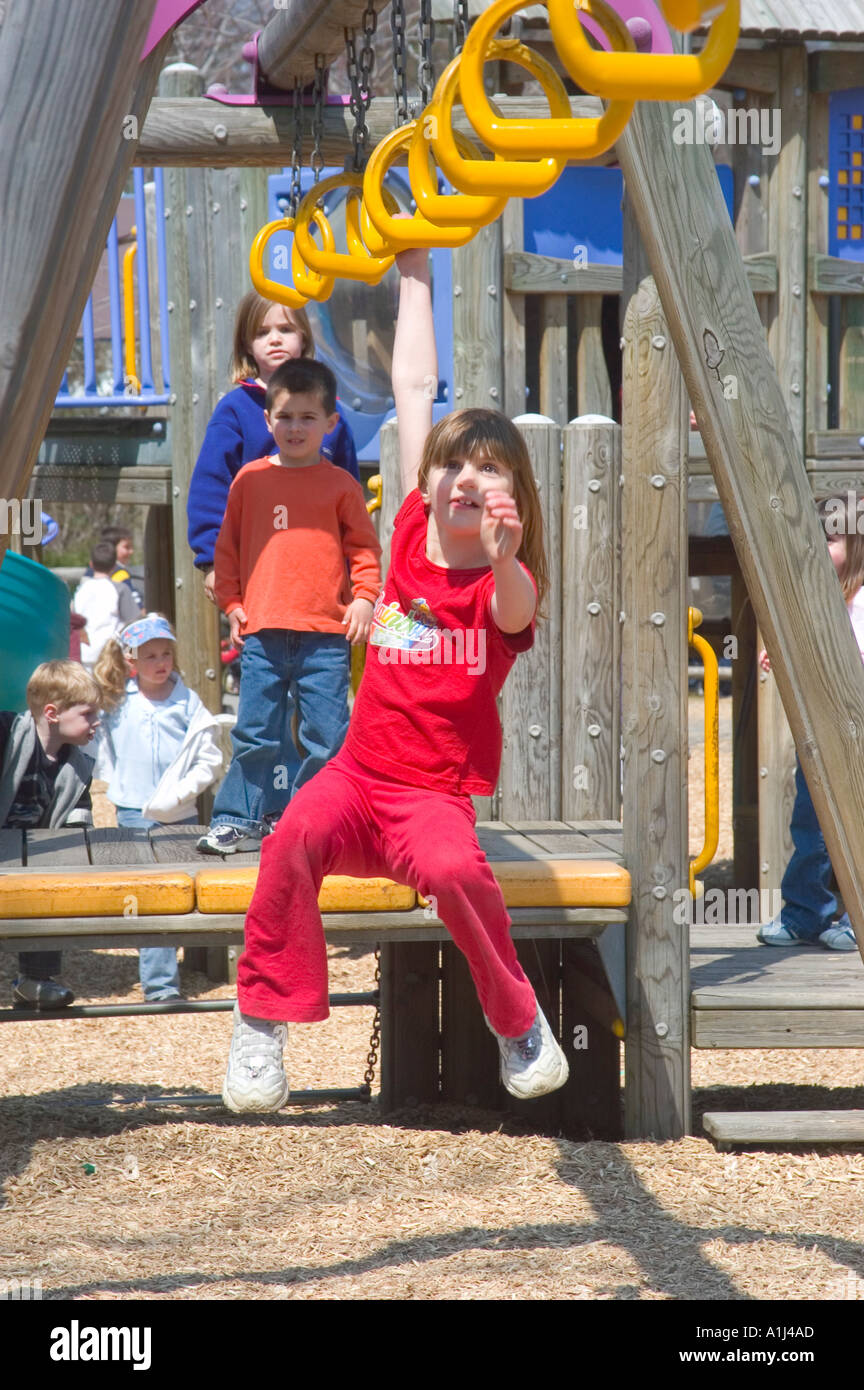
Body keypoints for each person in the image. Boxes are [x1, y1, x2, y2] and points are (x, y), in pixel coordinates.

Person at [221, 248, 569, 1114]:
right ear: (431, 481)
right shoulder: (409, 528)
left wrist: (508, 557)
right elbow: (415, 386)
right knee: (289, 837)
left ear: (512, 494)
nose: (466, 478)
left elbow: (519, 618)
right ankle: (264, 1024)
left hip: (430, 799)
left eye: (490, 469)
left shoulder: (501, 584)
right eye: (455, 464)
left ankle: (517, 1020)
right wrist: (415, 271)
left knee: (458, 875)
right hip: (357, 775)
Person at [196, 357, 381, 855]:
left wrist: (364, 598)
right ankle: (239, 818)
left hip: (326, 635)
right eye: (285, 416)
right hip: (263, 631)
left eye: (307, 417)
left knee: (327, 735)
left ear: (330, 424)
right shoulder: (250, 481)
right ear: (267, 421)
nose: (295, 427)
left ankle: (310, 821)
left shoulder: (341, 484)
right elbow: (228, 549)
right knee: (256, 731)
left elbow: (364, 549)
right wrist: (233, 603)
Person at [187, 292, 359, 608]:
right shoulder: (235, 410)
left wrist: (353, 574)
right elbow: (210, 488)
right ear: (246, 345)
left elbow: (351, 500)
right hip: (258, 567)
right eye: (262, 332)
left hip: (320, 572)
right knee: (262, 650)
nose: (274, 340)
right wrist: (211, 561)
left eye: (285, 329)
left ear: (304, 336)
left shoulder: (329, 413)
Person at [94, 615, 223, 1000]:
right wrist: (116, 786)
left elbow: (208, 754)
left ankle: (177, 966)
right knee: (152, 894)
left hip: (179, 812)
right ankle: (160, 984)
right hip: (133, 810)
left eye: (166, 653)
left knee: (182, 888)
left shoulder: (187, 701)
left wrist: (184, 791)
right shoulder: (119, 702)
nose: (160, 661)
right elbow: (101, 749)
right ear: (132, 660)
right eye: (150, 655)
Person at [758, 499, 864, 952]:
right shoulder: (828, 597)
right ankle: (806, 912)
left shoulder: (860, 602)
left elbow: (848, 660)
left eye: (831, 538)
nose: (819, 545)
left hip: (854, 737)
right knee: (810, 825)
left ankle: (856, 919)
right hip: (823, 737)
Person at [0, 661, 102, 1009]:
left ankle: (35, 979)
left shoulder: (78, 767)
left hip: (34, 858)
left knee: (50, 888)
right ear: (52, 713)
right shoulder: (6, 735)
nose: (96, 722)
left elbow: (78, 822)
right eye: (88, 713)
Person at [74, 540, 140, 670]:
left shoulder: (80, 590)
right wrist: (133, 658)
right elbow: (133, 624)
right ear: (115, 566)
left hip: (85, 656)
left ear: (91, 565)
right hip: (111, 656)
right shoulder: (120, 589)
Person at [83, 524, 145, 611]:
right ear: (111, 548)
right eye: (126, 547)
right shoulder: (120, 574)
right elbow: (137, 609)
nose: (131, 551)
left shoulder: (89, 573)